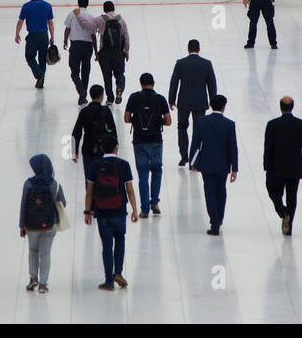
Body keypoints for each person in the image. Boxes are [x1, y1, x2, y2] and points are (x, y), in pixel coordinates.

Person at [83, 134, 139, 291]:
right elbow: (130, 190)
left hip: (102, 212)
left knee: (107, 246)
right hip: (119, 210)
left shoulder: (94, 166)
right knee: (120, 241)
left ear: (101, 148)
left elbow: (89, 192)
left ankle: (108, 281)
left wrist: (87, 211)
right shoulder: (124, 165)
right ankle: (118, 273)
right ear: (117, 147)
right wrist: (134, 210)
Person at [263, 95, 302, 235]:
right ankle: (289, 225)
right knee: (292, 196)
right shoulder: (301, 124)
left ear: (280, 107)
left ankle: (283, 212)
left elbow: (268, 146)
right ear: (293, 107)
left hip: (275, 167)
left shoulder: (272, 124)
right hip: (294, 167)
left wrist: (266, 165)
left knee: (273, 192)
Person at [123, 72, 171, 217]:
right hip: (156, 140)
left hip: (139, 141)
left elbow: (126, 118)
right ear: (153, 83)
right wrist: (158, 122)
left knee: (143, 176)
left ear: (140, 83)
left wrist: (136, 122)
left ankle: (144, 209)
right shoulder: (160, 99)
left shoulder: (134, 98)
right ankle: (154, 201)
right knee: (157, 170)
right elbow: (168, 121)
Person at [190, 94, 238, 235]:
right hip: (223, 164)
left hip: (206, 163)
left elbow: (195, 143)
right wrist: (234, 168)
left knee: (209, 192)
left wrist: (193, 162)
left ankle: (214, 221)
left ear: (210, 106)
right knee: (221, 191)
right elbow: (232, 147)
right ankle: (219, 218)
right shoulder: (229, 124)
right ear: (224, 107)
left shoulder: (201, 121)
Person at [19, 154, 67, 294]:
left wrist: (22, 226)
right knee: (45, 254)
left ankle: (33, 278)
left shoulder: (28, 184)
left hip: (31, 225)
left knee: (33, 250)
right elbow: (63, 203)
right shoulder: (54, 184)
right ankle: (43, 283)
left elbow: (23, 206)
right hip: (50, 224)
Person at [168, 39, 217, 167]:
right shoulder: (206, 64)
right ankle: (195, 158)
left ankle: (184, 156)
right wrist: (213, 100)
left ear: (188, 49)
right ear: (199, 49)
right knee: (198, 129)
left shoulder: (180, 63)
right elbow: (212, 83)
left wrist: (171, 100)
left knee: (182, 127)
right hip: (200, 102)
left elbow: (174, 82)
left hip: (184, 101)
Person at [75, 1, 130, 103]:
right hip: (118, 53)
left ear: (104, 9)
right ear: (113, 9)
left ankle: (110, 98)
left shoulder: (100, 19)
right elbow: (126, 37)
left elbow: (87, 26)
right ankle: (119, 88)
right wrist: (126, 51)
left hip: (105, 53)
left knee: (107, 76)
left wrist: (79, 16)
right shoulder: (121, 20)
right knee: (120, 74)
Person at [71, 85, 115, 187]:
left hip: (88, 148)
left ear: (90, 95)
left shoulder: (84, 111)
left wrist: (74, 151)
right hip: (104, 148)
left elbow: (76, 132)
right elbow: (112, 130)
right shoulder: (105, 111)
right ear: (102, 96)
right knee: (104, 178)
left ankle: (90, 200)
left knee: (89, 179)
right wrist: (114, 146)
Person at [15, 0, 56, 89]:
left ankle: (38, 74)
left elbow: (20, 21)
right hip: (44, 35)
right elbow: (50, 23)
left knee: (29, 56)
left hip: (33, 35)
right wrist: (52, 37)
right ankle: (41, 82)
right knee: (42, 59)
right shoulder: (47, 5)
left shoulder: (27, 6)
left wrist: (17, 33)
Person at [63, 0, 95, 104]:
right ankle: (83, 94)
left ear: (78, 2)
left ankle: (81, 90)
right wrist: (95, 51)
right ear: (88, 3)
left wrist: (65, 40)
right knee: (86, 71)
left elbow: (67, 28)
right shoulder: (91, 16)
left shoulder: (72, 14)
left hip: (76, 45)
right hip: (88, 46)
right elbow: (93, 35)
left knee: (74, 71)